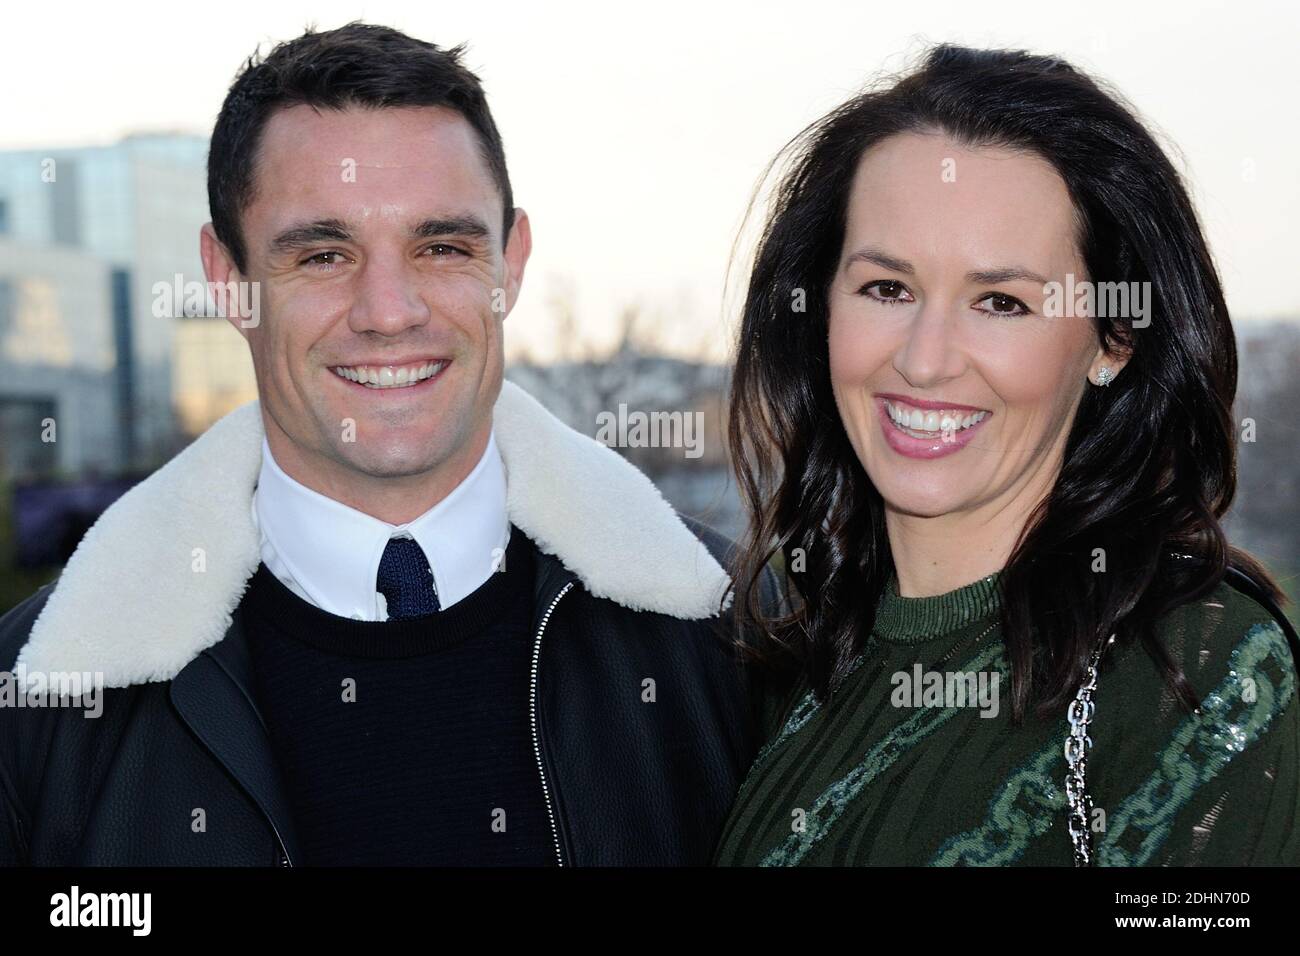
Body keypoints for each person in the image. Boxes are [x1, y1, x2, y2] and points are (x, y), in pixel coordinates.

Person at [0, 22, 757, 866]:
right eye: (324, 254)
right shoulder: (41, 704)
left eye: (441, 247)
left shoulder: (739, 644)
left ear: (511, 262)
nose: (389, 312)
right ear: (228, 281)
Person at [714, 44, 1300, 866]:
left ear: (1115, 340)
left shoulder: (1201, 674)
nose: (925, 359)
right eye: (888, 289)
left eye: (1001, 302)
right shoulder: (774, 661)